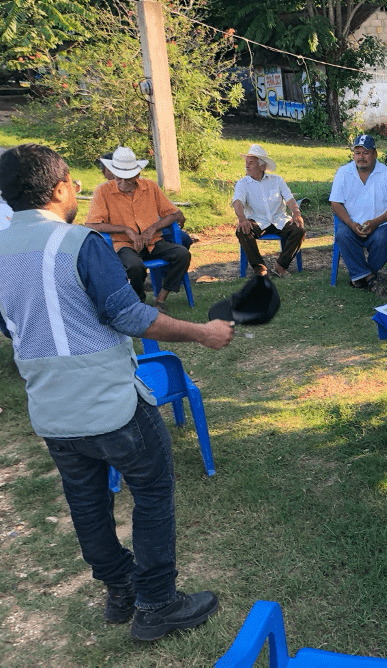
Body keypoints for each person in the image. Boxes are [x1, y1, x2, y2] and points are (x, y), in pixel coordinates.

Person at [0, 144, 235, 642]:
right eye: (71, 181)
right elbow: (129, 315)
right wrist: (202, 333)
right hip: (110, 403)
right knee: (151, 493)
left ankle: (119, 589)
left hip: (49, 407)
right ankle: (156, 602)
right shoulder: (77, 244)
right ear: (59, 187)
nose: (78, 188)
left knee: (86, 504)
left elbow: (9, 326)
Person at [85, 146, 191, 312]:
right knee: (135, 266)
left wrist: (152, 229)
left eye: (127, 179)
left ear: (137, 175)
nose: (121, 183)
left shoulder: (150, 186)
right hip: (123, 244)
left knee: (182, 254)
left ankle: (161, 299)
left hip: (153, 241)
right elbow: (91, 224)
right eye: (118, 178)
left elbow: (172, 213)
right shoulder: (102, 191)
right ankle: (138, 303)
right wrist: (126, 230)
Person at [329, 134, 387, 289]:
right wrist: (351, 224)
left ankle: (360, 275)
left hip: (380, 224)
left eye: (366, 153)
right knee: (342, 235)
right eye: (357, 153)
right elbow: (335, 203)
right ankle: (369, 277)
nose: (361, 157)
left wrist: (376, 222)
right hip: (352, 223)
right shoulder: (343, 172)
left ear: (374, 153)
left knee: (383, 239)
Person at [232, 144, 305, 277]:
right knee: (242, 231)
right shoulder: (243, 183)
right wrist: (242, 219)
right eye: (246, 163)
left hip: (279, 220)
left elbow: (290, 199)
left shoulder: (277, 180)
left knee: (298, 230)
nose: (247, 166)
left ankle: (281, 266)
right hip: (257, 221)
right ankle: (260, 269)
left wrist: (296, 213)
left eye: (251, 163)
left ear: (262, 166)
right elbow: (237, 202)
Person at [98, 151, 197, 250]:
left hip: (154, 231)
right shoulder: (104, 193)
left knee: (184, 240)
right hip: (124, 239)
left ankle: (166, 263)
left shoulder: (141, 185)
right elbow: (97, 224)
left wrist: (174, 212)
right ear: (104, 173)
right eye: (112, 169)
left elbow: (167, 209)